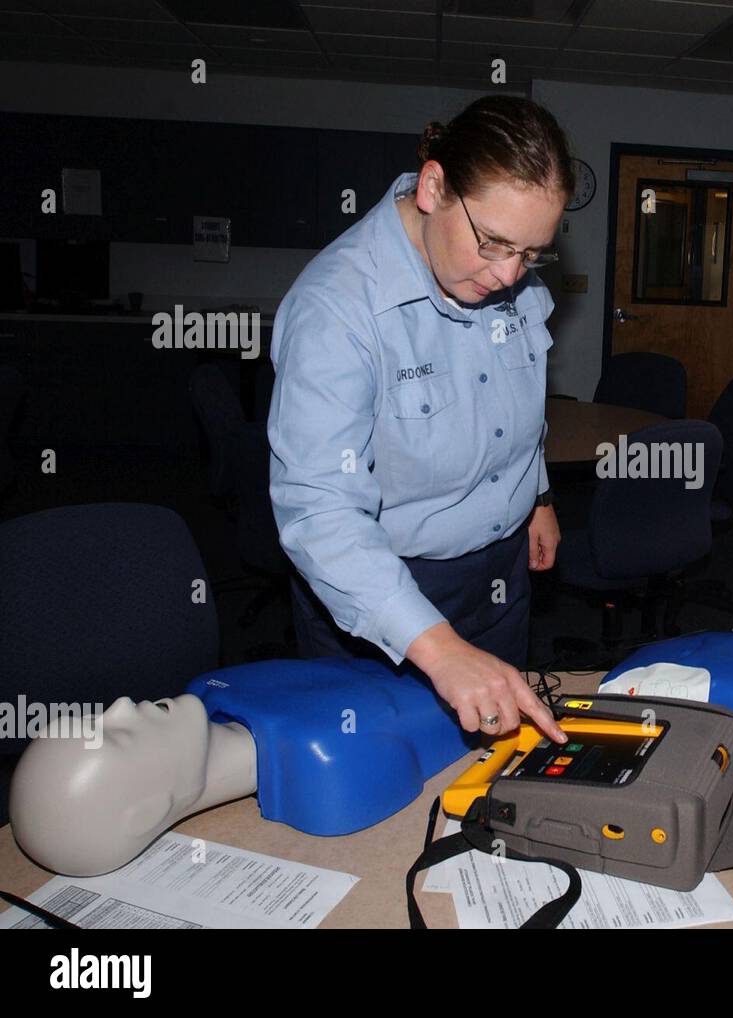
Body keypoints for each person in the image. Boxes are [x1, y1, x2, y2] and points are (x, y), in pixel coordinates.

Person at [268, 96, 573, 744]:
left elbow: (518, 403)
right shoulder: (337, 308)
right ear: (434, 185)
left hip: (498, 576)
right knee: (379, 797)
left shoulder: (506, 275)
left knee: (490, 783)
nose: (509, 274)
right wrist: (437, 648)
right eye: (493, 243)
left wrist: (537, 493)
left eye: (531, 253)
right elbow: (319, 511)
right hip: (385, 595)